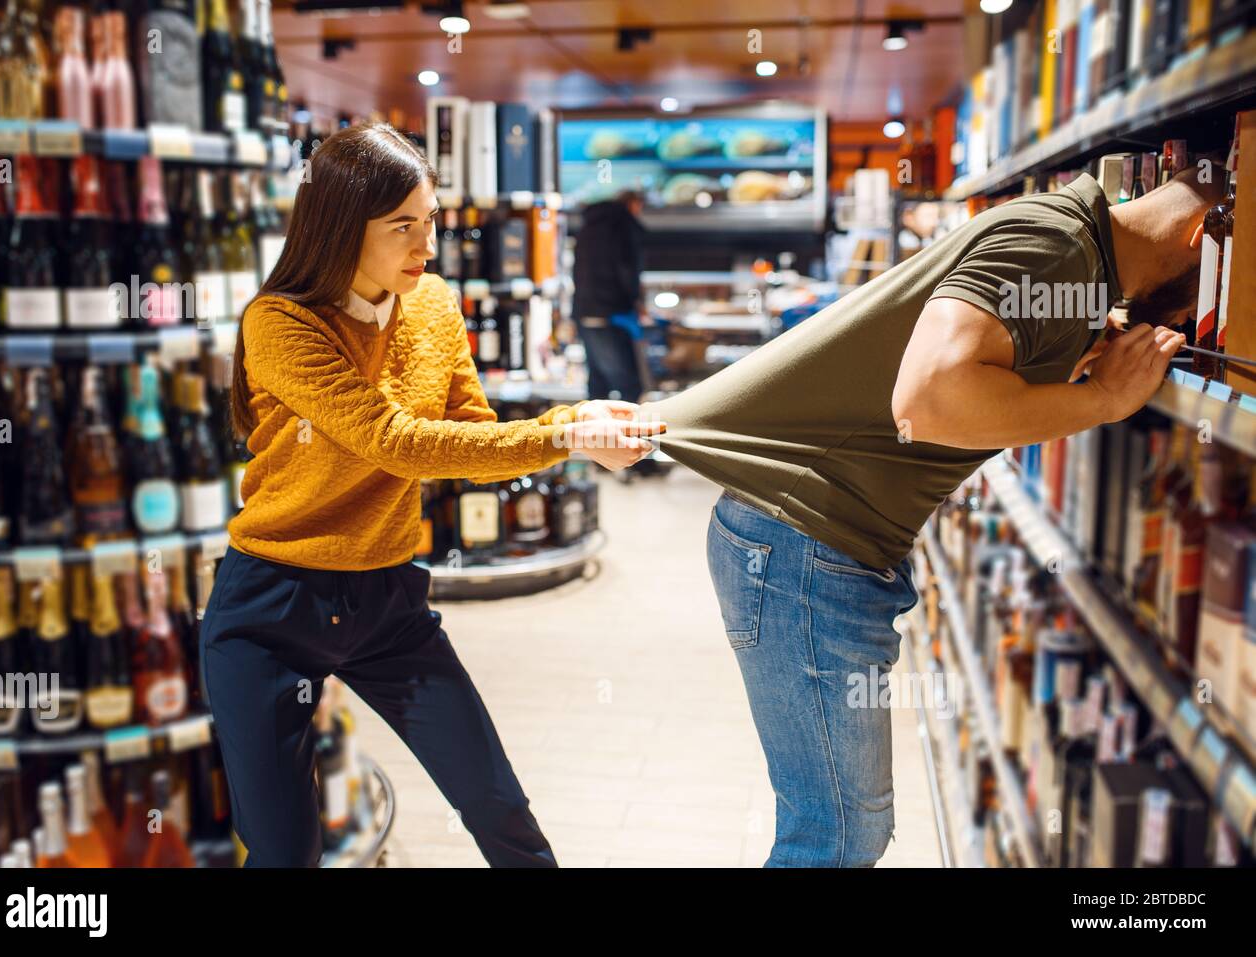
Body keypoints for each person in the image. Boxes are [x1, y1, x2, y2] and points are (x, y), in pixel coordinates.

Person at [639, 165, 1222, 867]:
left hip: (813, 544)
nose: (1192, 322)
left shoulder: (1073, 253)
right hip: (804, 544)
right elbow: (929, 400)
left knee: (843, 829)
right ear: (1202, 238)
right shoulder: (1060, 249)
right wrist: (1099, 400)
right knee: (836, 835)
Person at [201, 123, 662, 867]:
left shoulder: (436, 305)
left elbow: (469, 437)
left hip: (388, 599)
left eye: (433, 220)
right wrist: (564, 431)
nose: (429, 245)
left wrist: (578, 440)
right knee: (285, 849)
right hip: (270, 608)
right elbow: (397, 441)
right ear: (342, 226)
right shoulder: (279, 323)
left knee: (498, 804)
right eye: (403, 226)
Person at [571, 189, 647, 403]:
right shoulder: (622, 226)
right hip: (611, 312)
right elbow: (627, 269)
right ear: (633, 204)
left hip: (585, 310)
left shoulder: (590, 225)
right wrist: (634, 301)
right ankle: (628, 434)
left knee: (597, 384)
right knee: (628, 385)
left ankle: (593, 434)